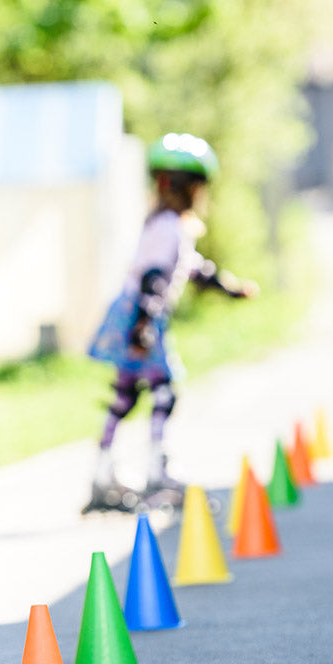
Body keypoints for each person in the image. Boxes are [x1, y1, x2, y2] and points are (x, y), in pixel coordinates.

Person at [83, 132, 257, 514]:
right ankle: (157, 472)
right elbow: (155, 277)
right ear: (194, 189)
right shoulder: (170, 227)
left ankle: (103, 473)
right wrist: (144, 326)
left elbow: (192, 268)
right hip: (141, 315)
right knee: (163, 391)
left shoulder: (165, 223)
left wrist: (228, 288)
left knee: (125, 396)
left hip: (134, 314)